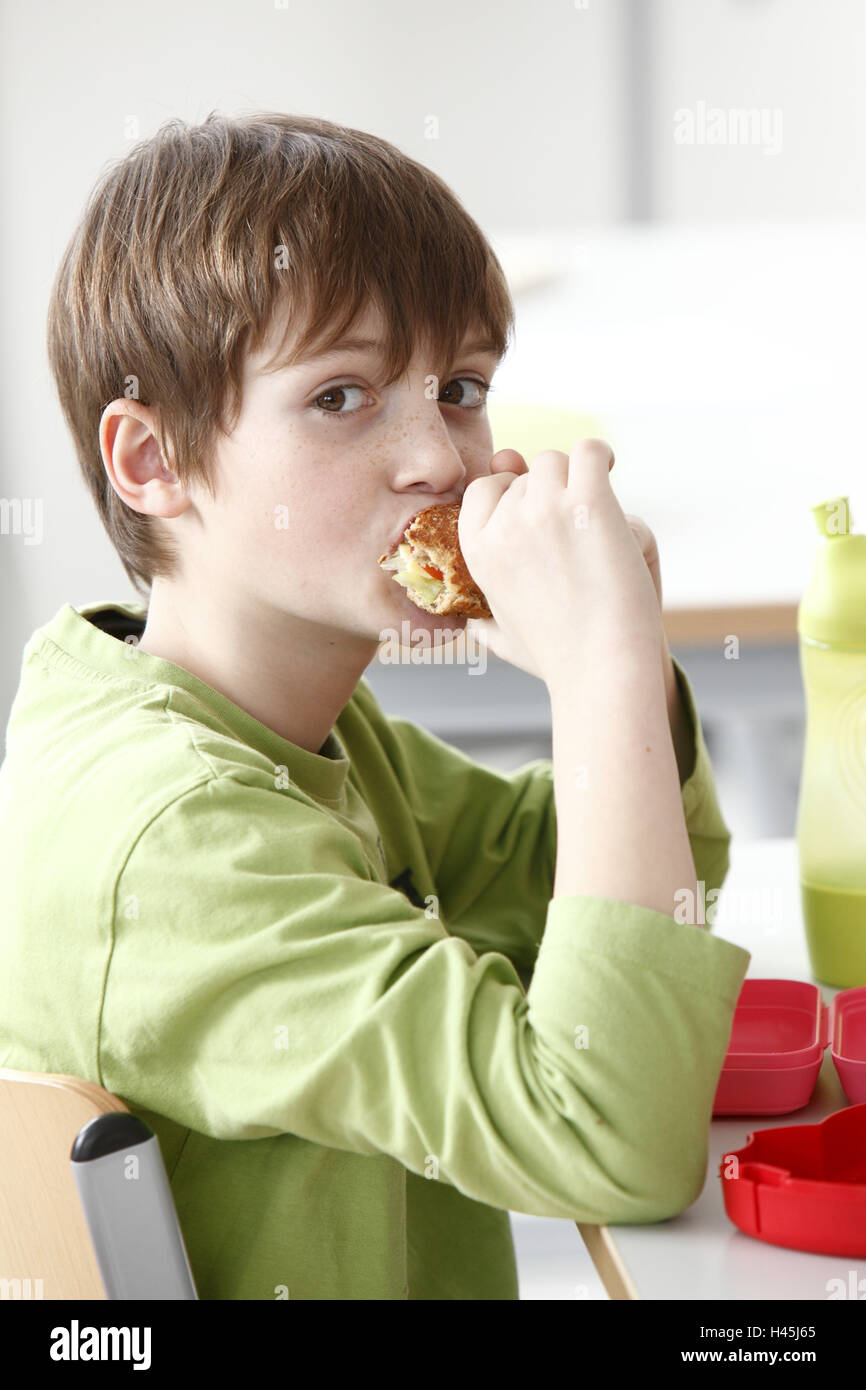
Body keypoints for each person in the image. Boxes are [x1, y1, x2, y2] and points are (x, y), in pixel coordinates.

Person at [0, 111, 750, 1299]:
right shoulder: (177, 832)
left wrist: (627, 667)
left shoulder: (284, 722)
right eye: (341, 396)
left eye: (458, 387)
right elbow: (608, 1138)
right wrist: (598, 673)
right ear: (153, 462)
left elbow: (625, 891)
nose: (439, 461)